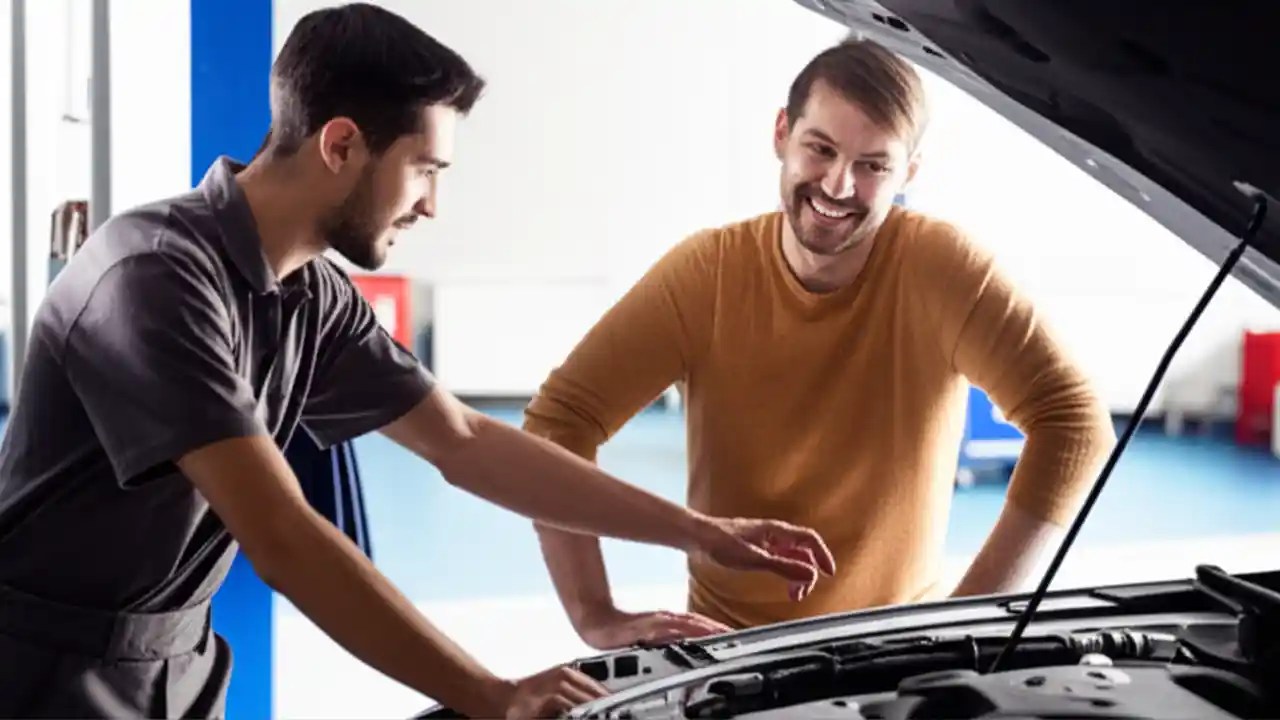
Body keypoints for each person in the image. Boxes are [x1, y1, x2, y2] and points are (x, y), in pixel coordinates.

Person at [0, 4, 838, 718]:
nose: (434, 202)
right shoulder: (153, 277)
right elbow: (284, 537)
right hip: (40, 674)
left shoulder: (308, 295)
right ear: (340, 145)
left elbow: (465, 441)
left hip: (176, 665)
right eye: (425, 168)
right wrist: (490, 695)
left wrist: (701, 535)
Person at [526, 37, 1117, 650]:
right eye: (821, 149)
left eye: (873, 165)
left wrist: (966, 618)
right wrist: (593, 613)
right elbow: (559, 422)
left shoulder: (940, 268)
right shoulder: (709, 273)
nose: (838, 184)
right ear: (782, 134)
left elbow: (1074, 424)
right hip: (725, 648)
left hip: (896, 649)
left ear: (908, 172)